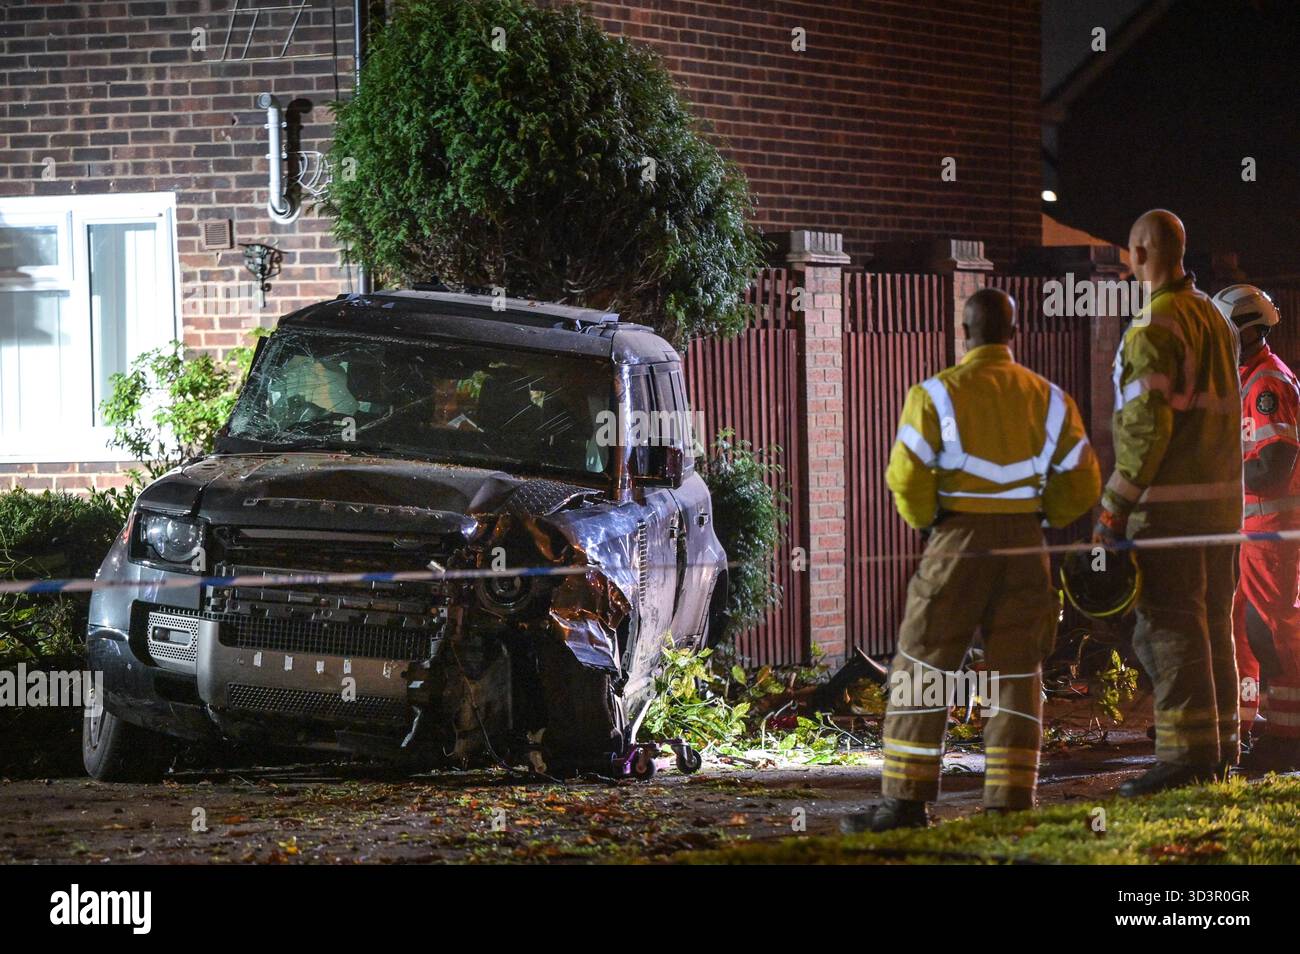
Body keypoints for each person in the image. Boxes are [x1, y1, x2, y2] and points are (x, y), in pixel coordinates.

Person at [841, 288, 1100, 832]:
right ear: (1013, 333)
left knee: (924, 664)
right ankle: (1010, 799)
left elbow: (906, 478)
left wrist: (933, 522)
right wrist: (1042, 518)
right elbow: (1082, 482)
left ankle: (906, 803)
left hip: (957, 538)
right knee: (1018, 670)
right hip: (1026, 544)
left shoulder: (935, 395)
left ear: (965, 332)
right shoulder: (1050, 399)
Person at [1096, 210, 1243, 796]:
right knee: (1211, 625)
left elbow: (1144, 430)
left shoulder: (1154, 325)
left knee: (1170, 627)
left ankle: (1185, 759)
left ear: (1138, 253)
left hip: (1169, 513)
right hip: (1223, 511)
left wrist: (1113, 507)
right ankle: (1221, 747)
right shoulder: (1214, 317)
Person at [1213, 283, 1300, 770]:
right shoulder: (1245, 376)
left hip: (1273, 529)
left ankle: (1288, 735)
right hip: (1252, 530)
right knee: (1241, 630)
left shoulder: (1269, 383)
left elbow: (1275, 463)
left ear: (1244, 330)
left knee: (1276, 629)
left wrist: (1216, 472)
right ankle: (1241, 726)